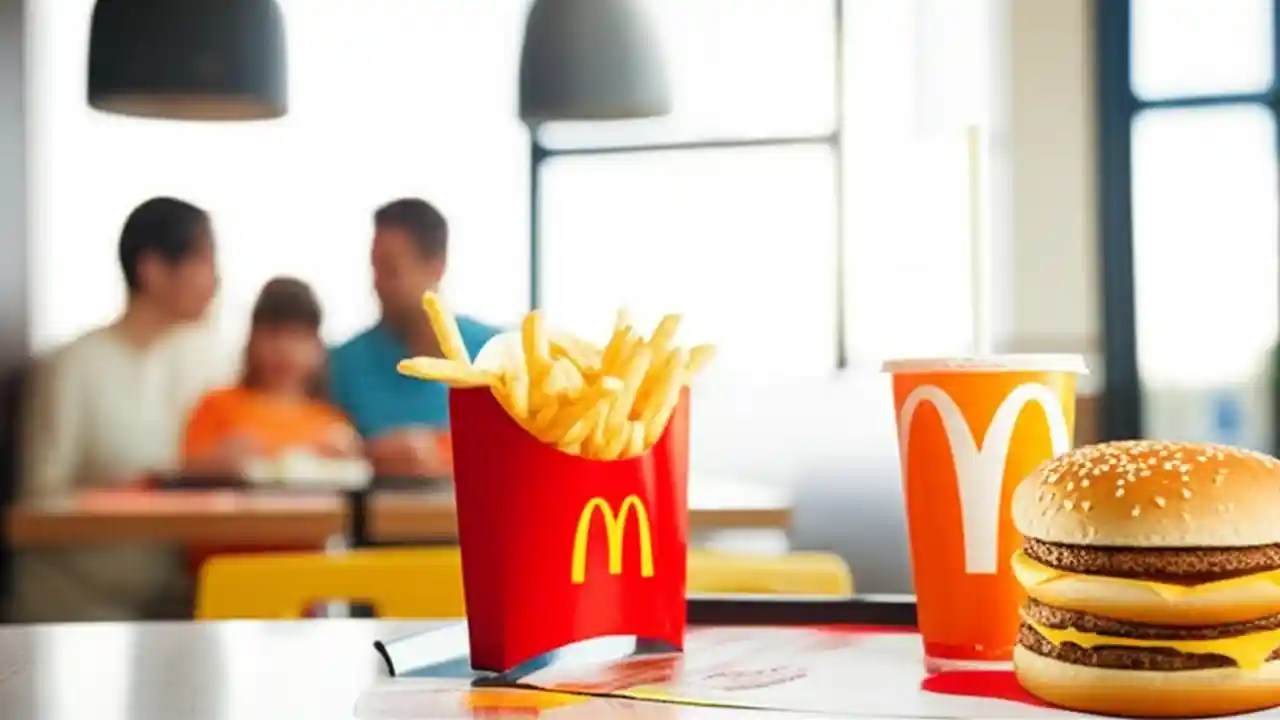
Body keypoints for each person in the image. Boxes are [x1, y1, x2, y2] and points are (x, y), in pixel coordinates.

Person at [9, 197, 230, 622]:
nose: (216, 279)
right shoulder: (73, 366)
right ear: (152, 270)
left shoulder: (205, 360)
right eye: (203, 259)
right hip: (74, 610)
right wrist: (164, 478)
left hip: (175, 606)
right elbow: (37, 505)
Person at [329, 199, 498, 477]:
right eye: (375, 269)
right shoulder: (343, 364)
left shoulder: (496, 354)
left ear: (437, 266)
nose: (378, 284)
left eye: (391, 269)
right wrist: (370, 455)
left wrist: (440, 457)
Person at [183, 277, 359, 472]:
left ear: (318, 348)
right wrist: (217, 462)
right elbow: (183, 472)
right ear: (252, 341)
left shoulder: (332, 424)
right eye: (273, 334)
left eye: (298, 336)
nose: (284, 349)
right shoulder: (216, 406)